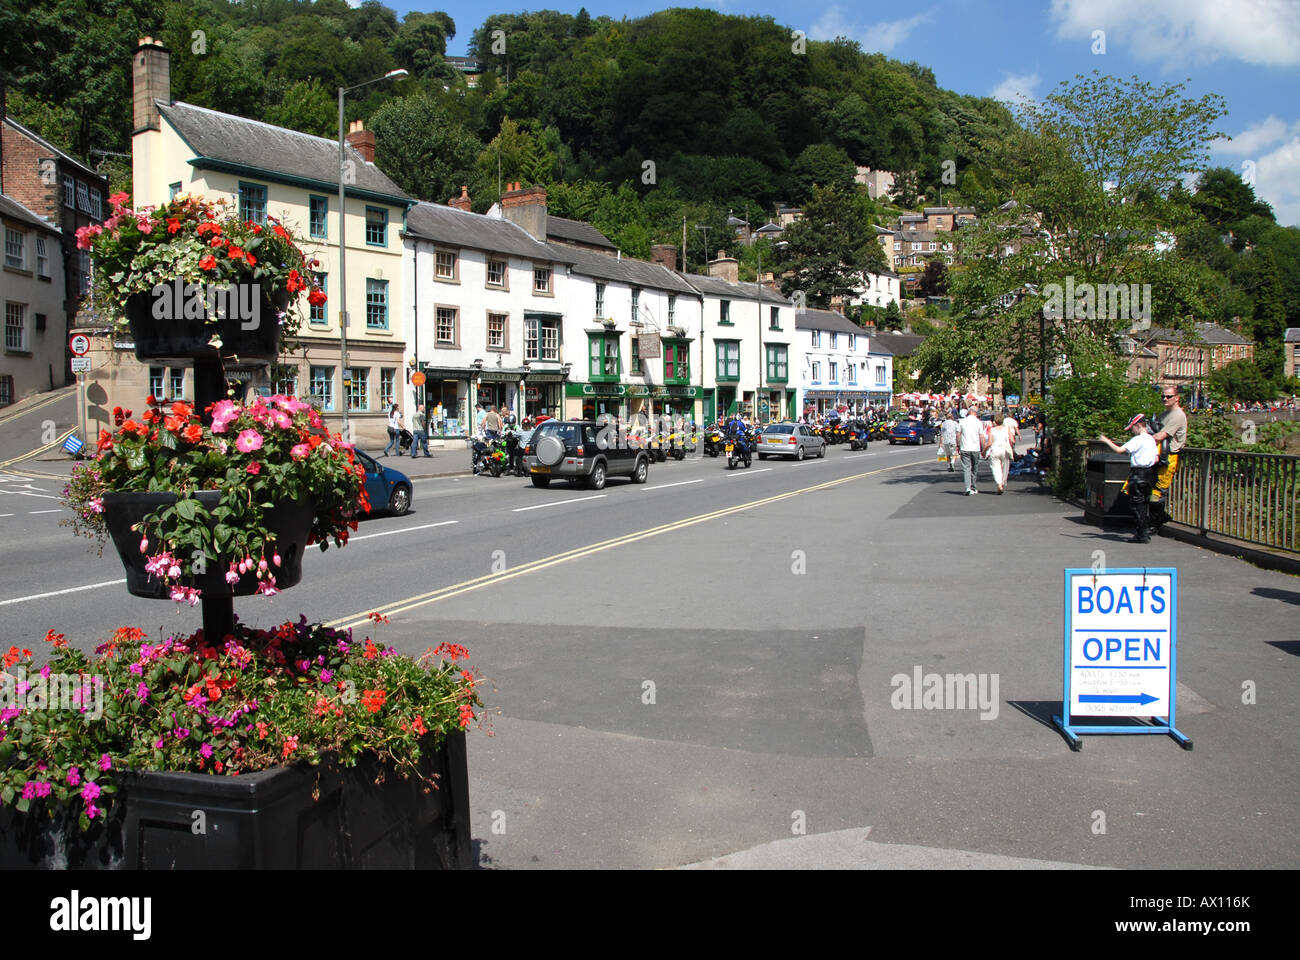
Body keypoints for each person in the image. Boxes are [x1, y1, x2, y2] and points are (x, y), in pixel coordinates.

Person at [1099, 414, 1159, 543]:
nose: (1132, 430)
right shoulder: (1151, 439)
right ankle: (1144, 532)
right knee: (1145, 503)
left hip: (1138, 473)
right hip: (1149, 473)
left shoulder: (1137, 440)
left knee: (1136, 505)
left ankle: (1141, 535)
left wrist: (1106, 440)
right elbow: (1156, 459)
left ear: (1138, 425)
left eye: (1132, 428)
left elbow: (1120, 450)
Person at [1148, 387, 1187, 533]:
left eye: (1168, 396)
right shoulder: (1165, 414)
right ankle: (1159, 517)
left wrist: (1142, 441)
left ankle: (1155, 522)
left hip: (1169, 457)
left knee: (1157, 491)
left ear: (1176, 398)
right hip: (1159, 456)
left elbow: (1160, 436)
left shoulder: (1177, 415)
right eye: (1163, 396)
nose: (1165, 399)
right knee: (1150, 489)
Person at [985, 414, 1014, 494]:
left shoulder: (992, 430)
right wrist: (1010, 446)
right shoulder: (1006, 429)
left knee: (995, 468)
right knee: (1005, 467)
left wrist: (984, 450)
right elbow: (1012, 440)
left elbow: (990, 443)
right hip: (1004, 449)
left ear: (995, 421)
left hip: (995, 449)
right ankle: (1003, 482)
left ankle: (999, 484)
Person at [958, 407, 984, 495]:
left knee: (966, 468)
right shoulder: (979, 422)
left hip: (965, 447)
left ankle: (968, 488)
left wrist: (958, 445)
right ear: (975, 413)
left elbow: (958, 434)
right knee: (974, 468)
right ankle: (973, 486)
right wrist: (983, 448)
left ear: (969, 412)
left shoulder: (962, 421)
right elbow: (981, 436)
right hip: (975, 448)